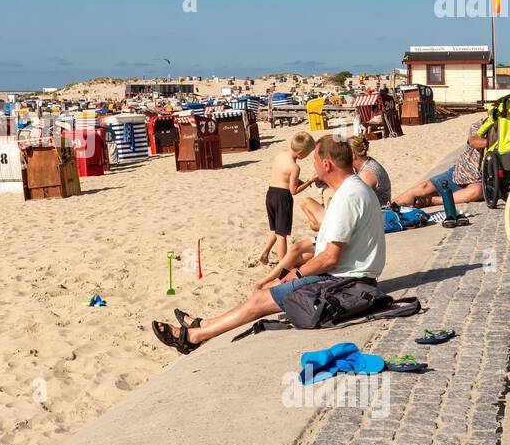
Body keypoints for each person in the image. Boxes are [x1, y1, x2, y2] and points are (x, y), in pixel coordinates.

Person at [153, 135, 386, 354]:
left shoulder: (348, 197)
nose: (313, 167)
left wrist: (295, 274)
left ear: (326, 164)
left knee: (262, 298)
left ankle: (193, 337)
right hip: (349, 274)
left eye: (315, 161)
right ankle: (202, 324)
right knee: (267, 290)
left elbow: (330, 258)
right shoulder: (355, 188)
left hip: (345, 281)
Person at [390, 119, 495, 209]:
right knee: (423, 187)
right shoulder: (479, 125)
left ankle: (434, 200)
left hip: (480, 182)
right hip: (459, 173)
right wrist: (496, 143)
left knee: (476, 191)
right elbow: (474, 141)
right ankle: (389, 208)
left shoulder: (507, 134)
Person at [302, 134, 391, 231]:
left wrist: (327, 188)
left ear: (352, 155)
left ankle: (321, 226)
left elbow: (352, 201)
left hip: (374, 220)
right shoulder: (364, 165)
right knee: (306, 202)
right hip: (365, 216)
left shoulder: (367, 174)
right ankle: (320, 225)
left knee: (327, 194)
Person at [257, 132, 316, 265]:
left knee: (276, 229)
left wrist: (304, 181)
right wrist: (309, 182)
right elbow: (293, 190)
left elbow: (286, 177)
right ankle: (282, 267)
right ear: (301, 152)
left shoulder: (280, 156)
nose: (307, 157)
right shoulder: (295, 167)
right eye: (307, 154)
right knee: (282, 235)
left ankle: (264, 253)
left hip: (270, 194)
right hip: (282, 198)